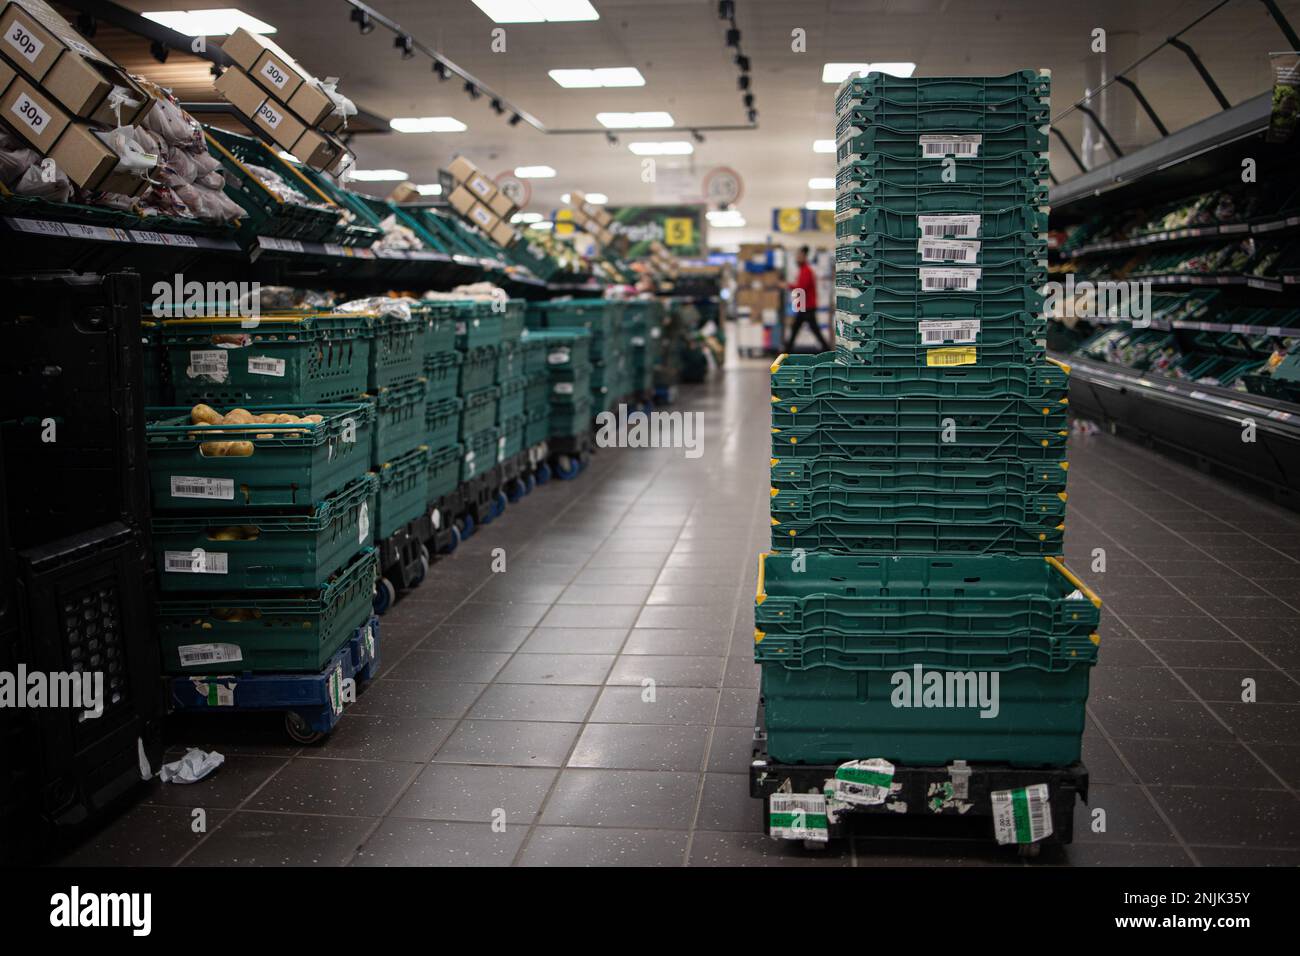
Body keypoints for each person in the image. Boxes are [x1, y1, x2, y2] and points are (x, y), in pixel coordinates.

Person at [785, 245, 829, 352]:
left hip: (807, 306)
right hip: (804, 306)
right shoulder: (804, 270)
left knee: (811, 330)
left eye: (799, 256)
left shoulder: (806, 271)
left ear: (804, 257)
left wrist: (787, 286)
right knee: (797, 328)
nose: (797, 258)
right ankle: (786, 350)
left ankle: (827, 350)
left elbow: (801, 289)